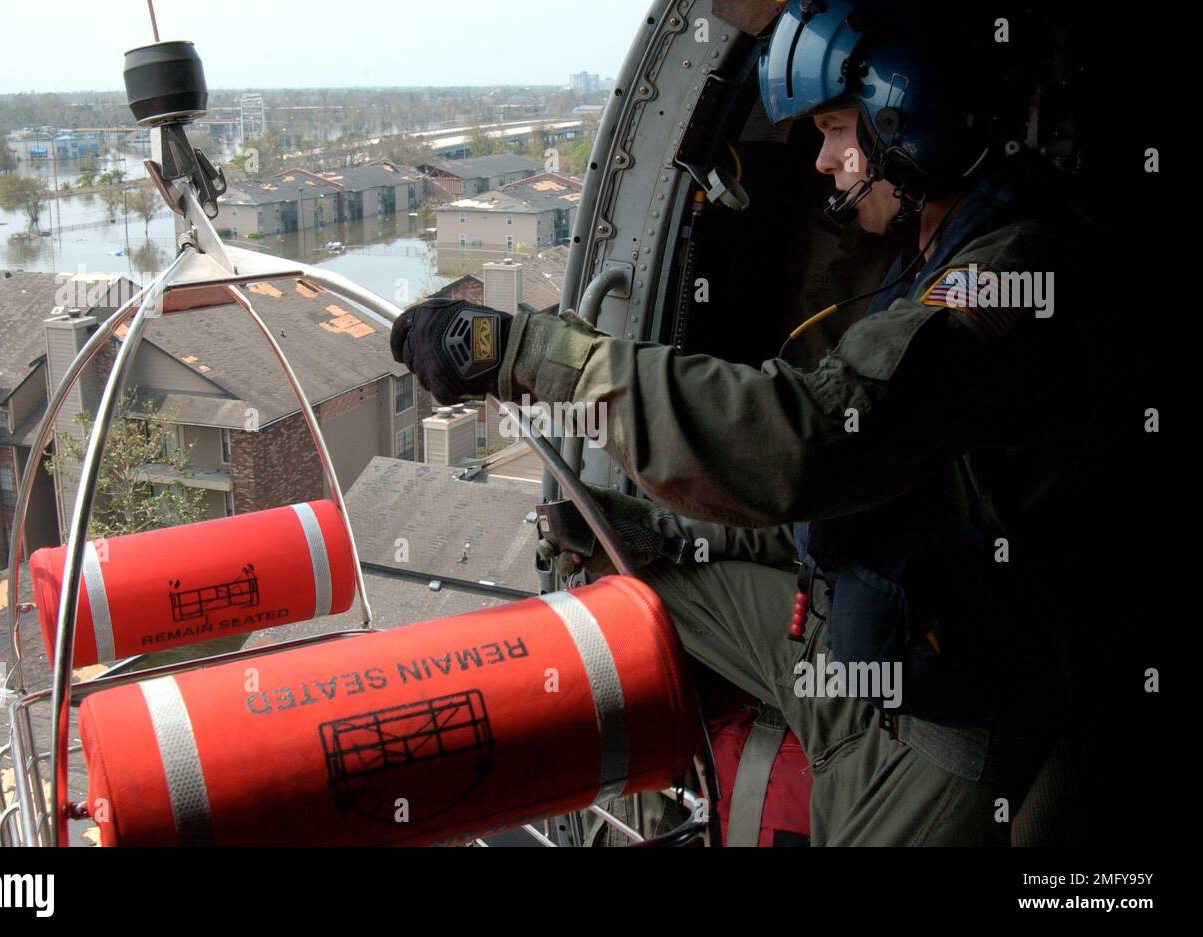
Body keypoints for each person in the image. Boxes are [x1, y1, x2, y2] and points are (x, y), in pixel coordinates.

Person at [390, 0, 1123, 844]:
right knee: (630, 579)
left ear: (904, 117)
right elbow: (854, 498)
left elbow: (803, 442)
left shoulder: (1008, 279)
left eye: (836, 130)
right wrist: (652, 529)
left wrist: (523, 354)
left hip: (964, 699)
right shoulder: (950, 246)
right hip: (875, 622)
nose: (824, 161)